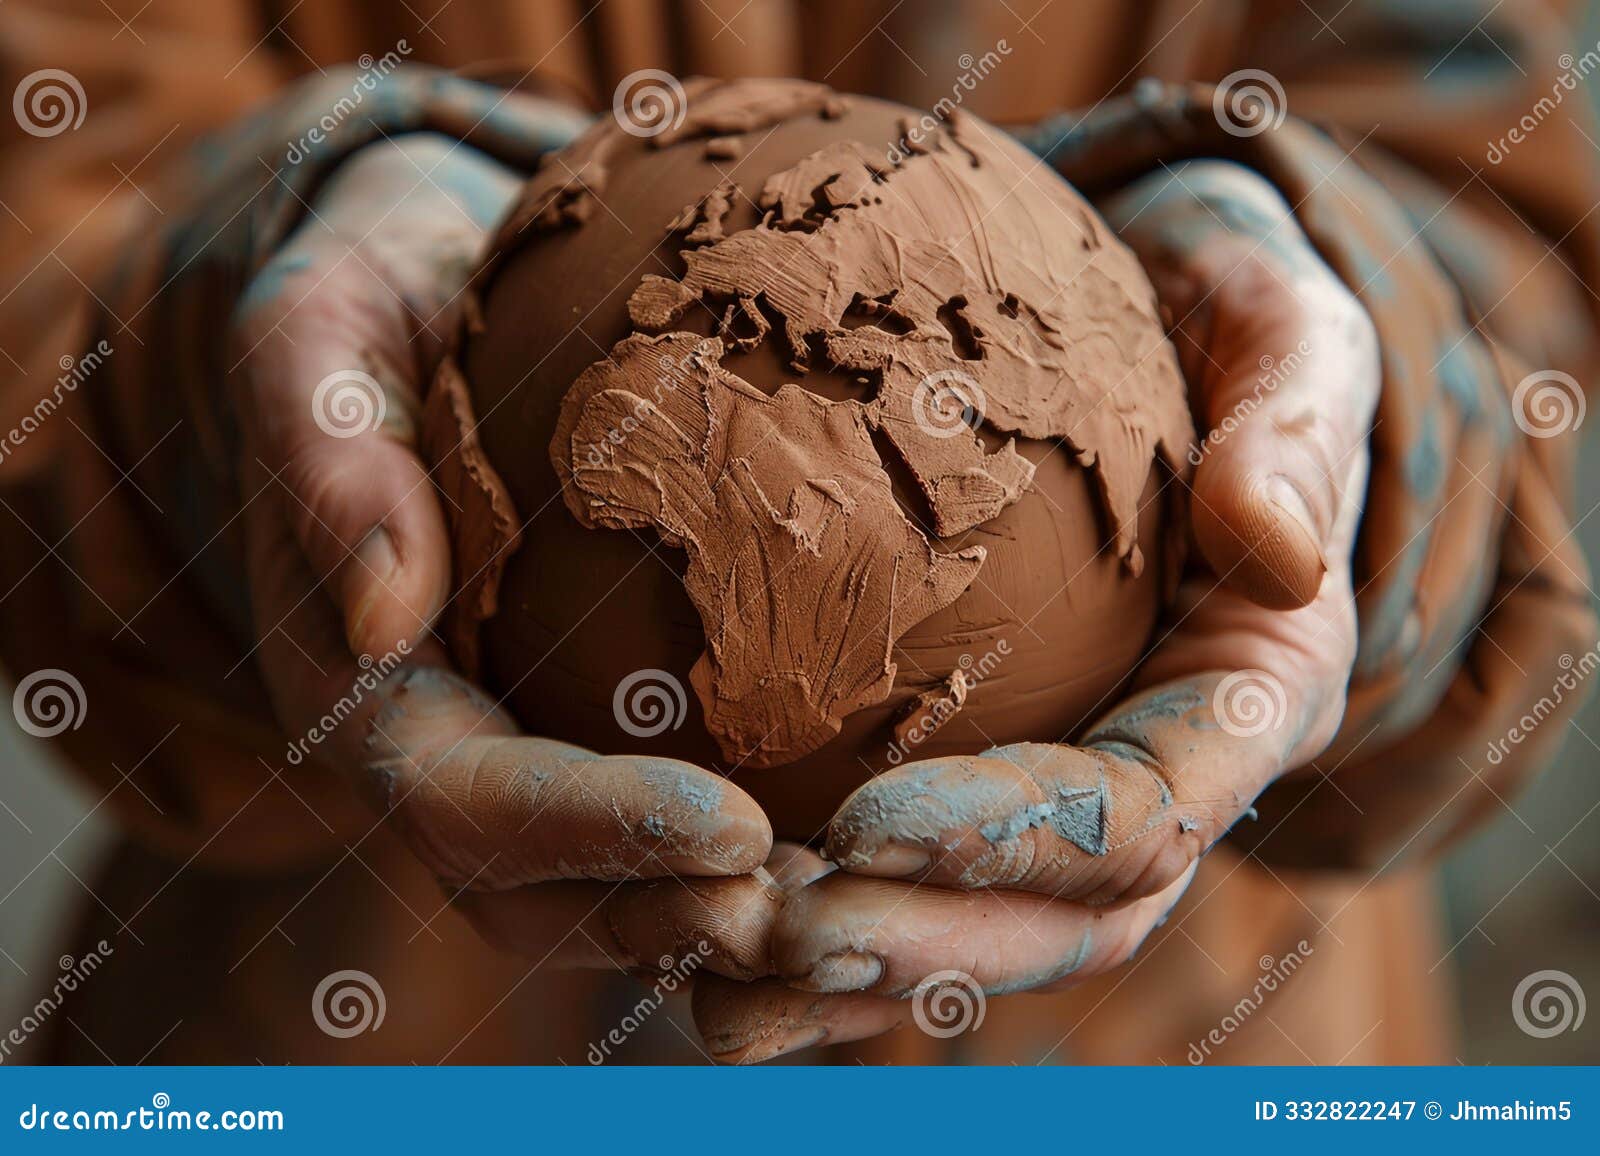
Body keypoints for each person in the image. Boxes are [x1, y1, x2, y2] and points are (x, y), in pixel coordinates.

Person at [0, 0, 1593, 1065]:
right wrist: (217, 367)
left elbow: (1495, 188)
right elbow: (46, 197)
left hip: (1178, 1034)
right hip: (343, 1010)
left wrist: (1363, 406)